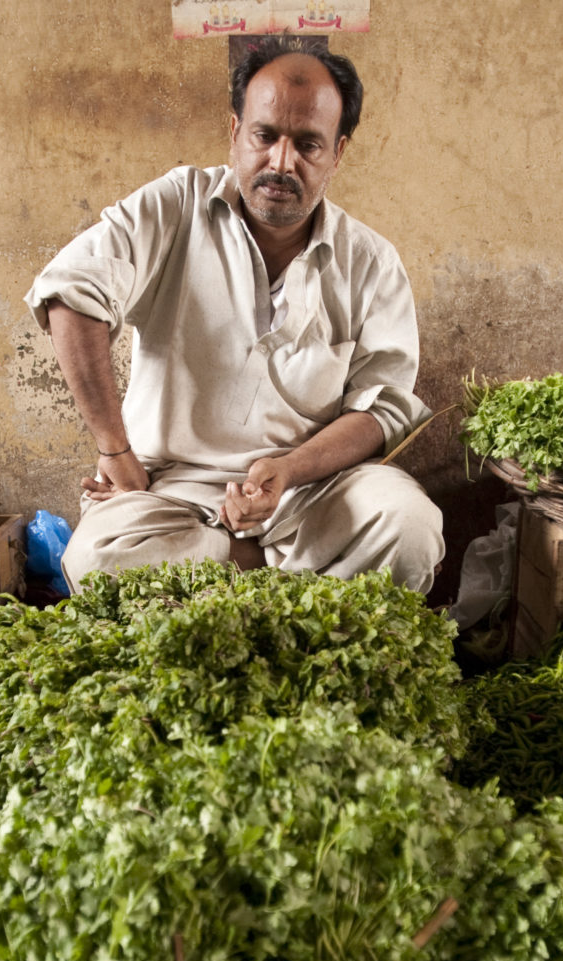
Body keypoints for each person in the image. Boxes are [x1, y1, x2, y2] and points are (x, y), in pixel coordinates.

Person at [24, 42, 445, 594]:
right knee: (100, 557)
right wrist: (115, 453)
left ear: (338, 153)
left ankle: (237, 580)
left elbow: (382, 408)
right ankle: (279, 584)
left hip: (311, 496)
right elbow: (70, 293)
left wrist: (288, 471)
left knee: (410, 527)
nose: (281, 163)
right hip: (171, 493)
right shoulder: (176, 206)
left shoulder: (370, 262)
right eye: (265, 136)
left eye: (308, 145)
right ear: (235, 132)